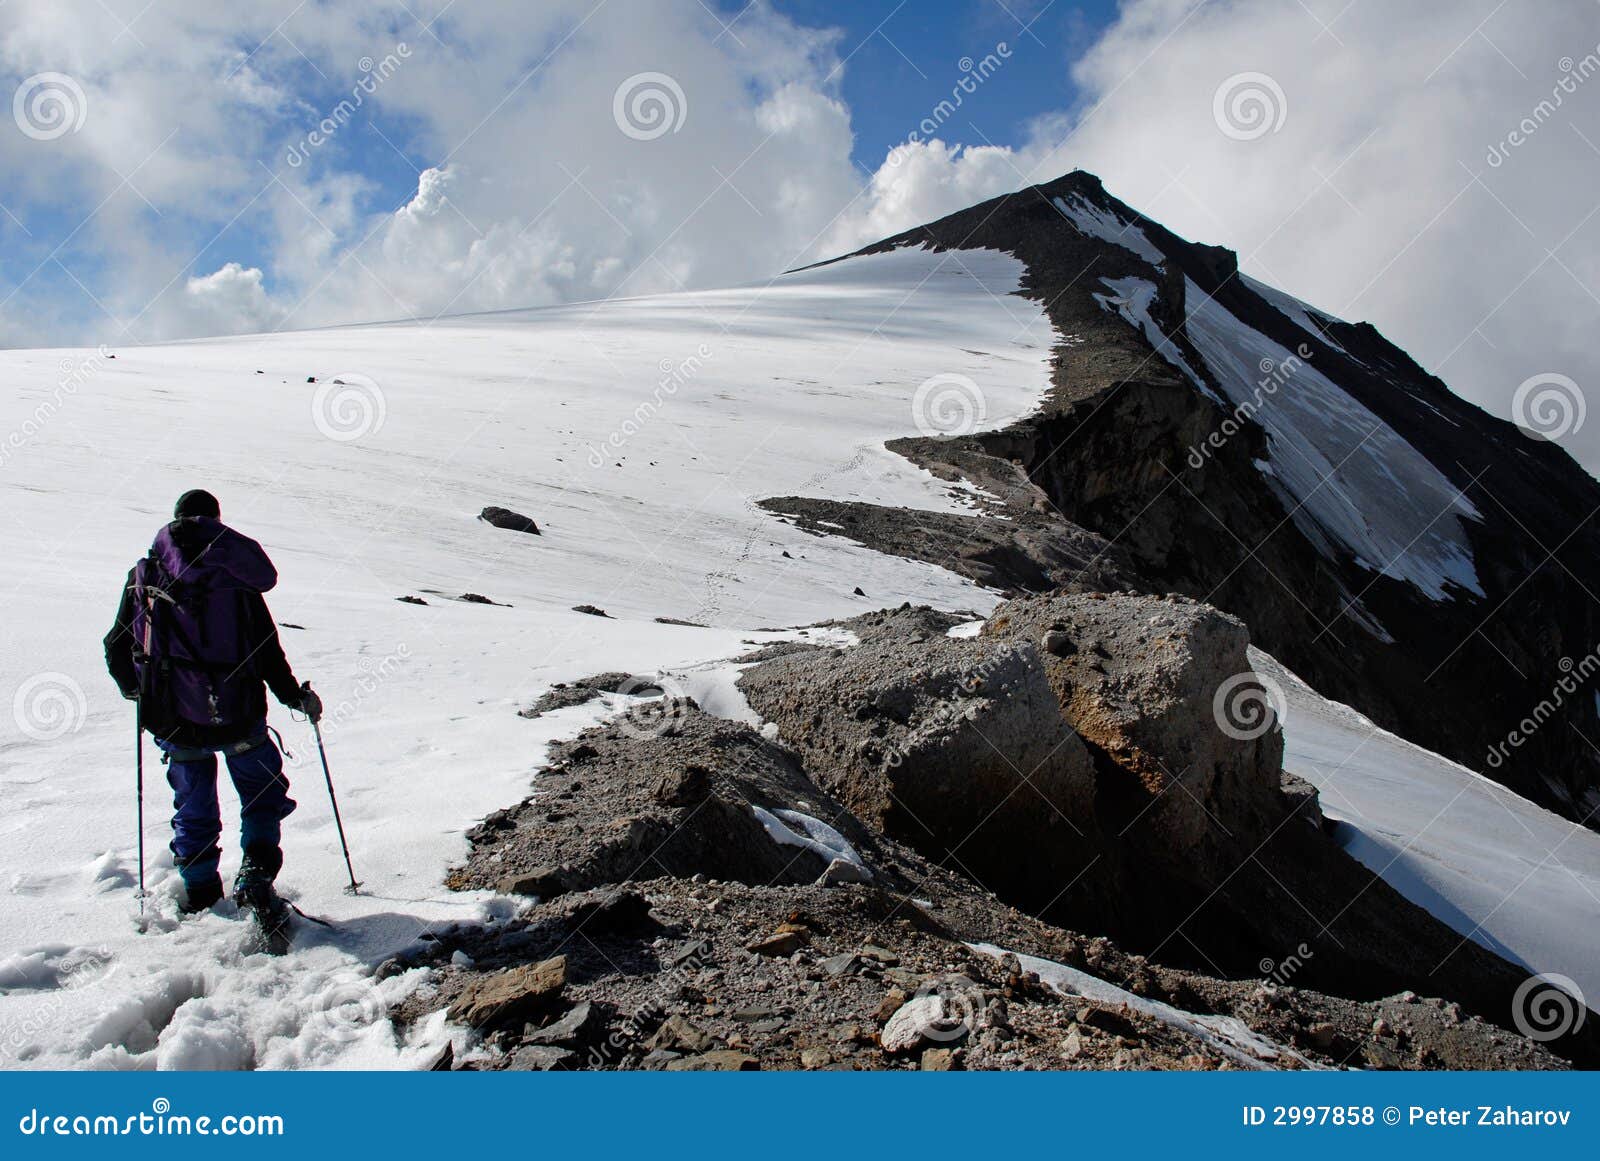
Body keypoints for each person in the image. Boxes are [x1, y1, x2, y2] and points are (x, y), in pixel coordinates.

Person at [104, 489, 322, 916]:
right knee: (261, 792)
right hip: (240, 715)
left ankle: (202, 895)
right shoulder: (235, 580)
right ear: (217, 524)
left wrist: (138, 693)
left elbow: (116, 646)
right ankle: (256, 872)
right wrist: (294, 696)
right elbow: (267, 650)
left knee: (193, 807)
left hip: (175, 720)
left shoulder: (144, 577)